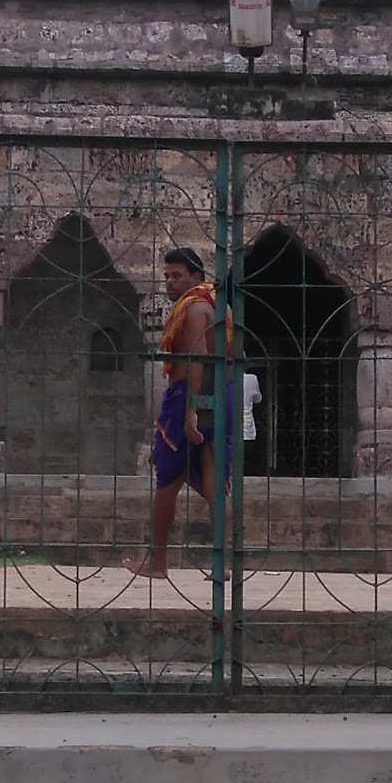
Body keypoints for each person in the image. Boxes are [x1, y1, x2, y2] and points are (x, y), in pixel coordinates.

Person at [129, 246, 233, 580]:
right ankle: (223, 565)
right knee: (216, 484)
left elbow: (197, 358)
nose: (170, 283)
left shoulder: (194, 309)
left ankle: (158, 564)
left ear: (197, 277)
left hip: (189, 397)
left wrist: (190, 409)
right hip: (220, 396)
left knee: (167, 481)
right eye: (167, 276)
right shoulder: (221, 308)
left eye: (178, 276)